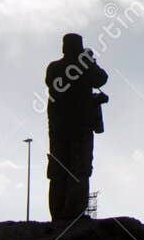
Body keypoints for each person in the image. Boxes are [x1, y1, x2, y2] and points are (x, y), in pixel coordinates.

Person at [44, 32, 108, 220]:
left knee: (61, 172)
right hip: (78, 128)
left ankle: (60, 215)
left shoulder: (55, 68)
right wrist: (88, 62)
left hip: (60, 129)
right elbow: (101, 79)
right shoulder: (82, 67)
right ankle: (72, 215)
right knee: (78, 170)